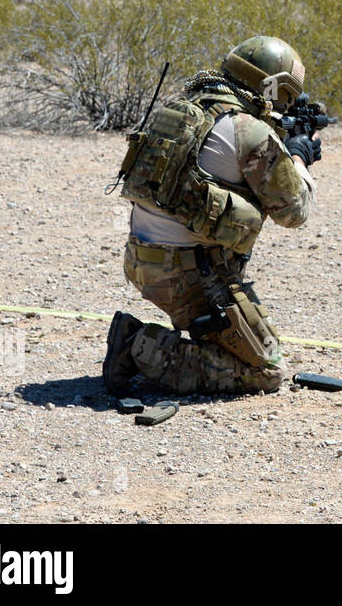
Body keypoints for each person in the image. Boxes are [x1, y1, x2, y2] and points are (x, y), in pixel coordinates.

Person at [102, 36, 322, 396]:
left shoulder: (187, 110)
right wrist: (299, 156)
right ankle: (138, 346)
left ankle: (166, 338)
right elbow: (295, 212)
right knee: (265, 372)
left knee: (248, 343)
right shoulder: (249, 131)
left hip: (141, 259)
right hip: (189, 275)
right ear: (271, 85)